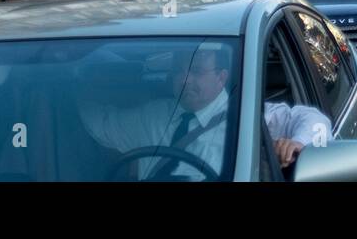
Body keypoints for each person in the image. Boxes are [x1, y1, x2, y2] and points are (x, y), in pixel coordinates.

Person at [79, 43, 330, 179]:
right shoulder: (152, 115)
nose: (184, 79)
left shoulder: (248, 117)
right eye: (179, 70)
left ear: (222, 78)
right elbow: (100, 123)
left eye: (197, 71)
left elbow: (316, 121)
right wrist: (69, 83)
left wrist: (298, 143)